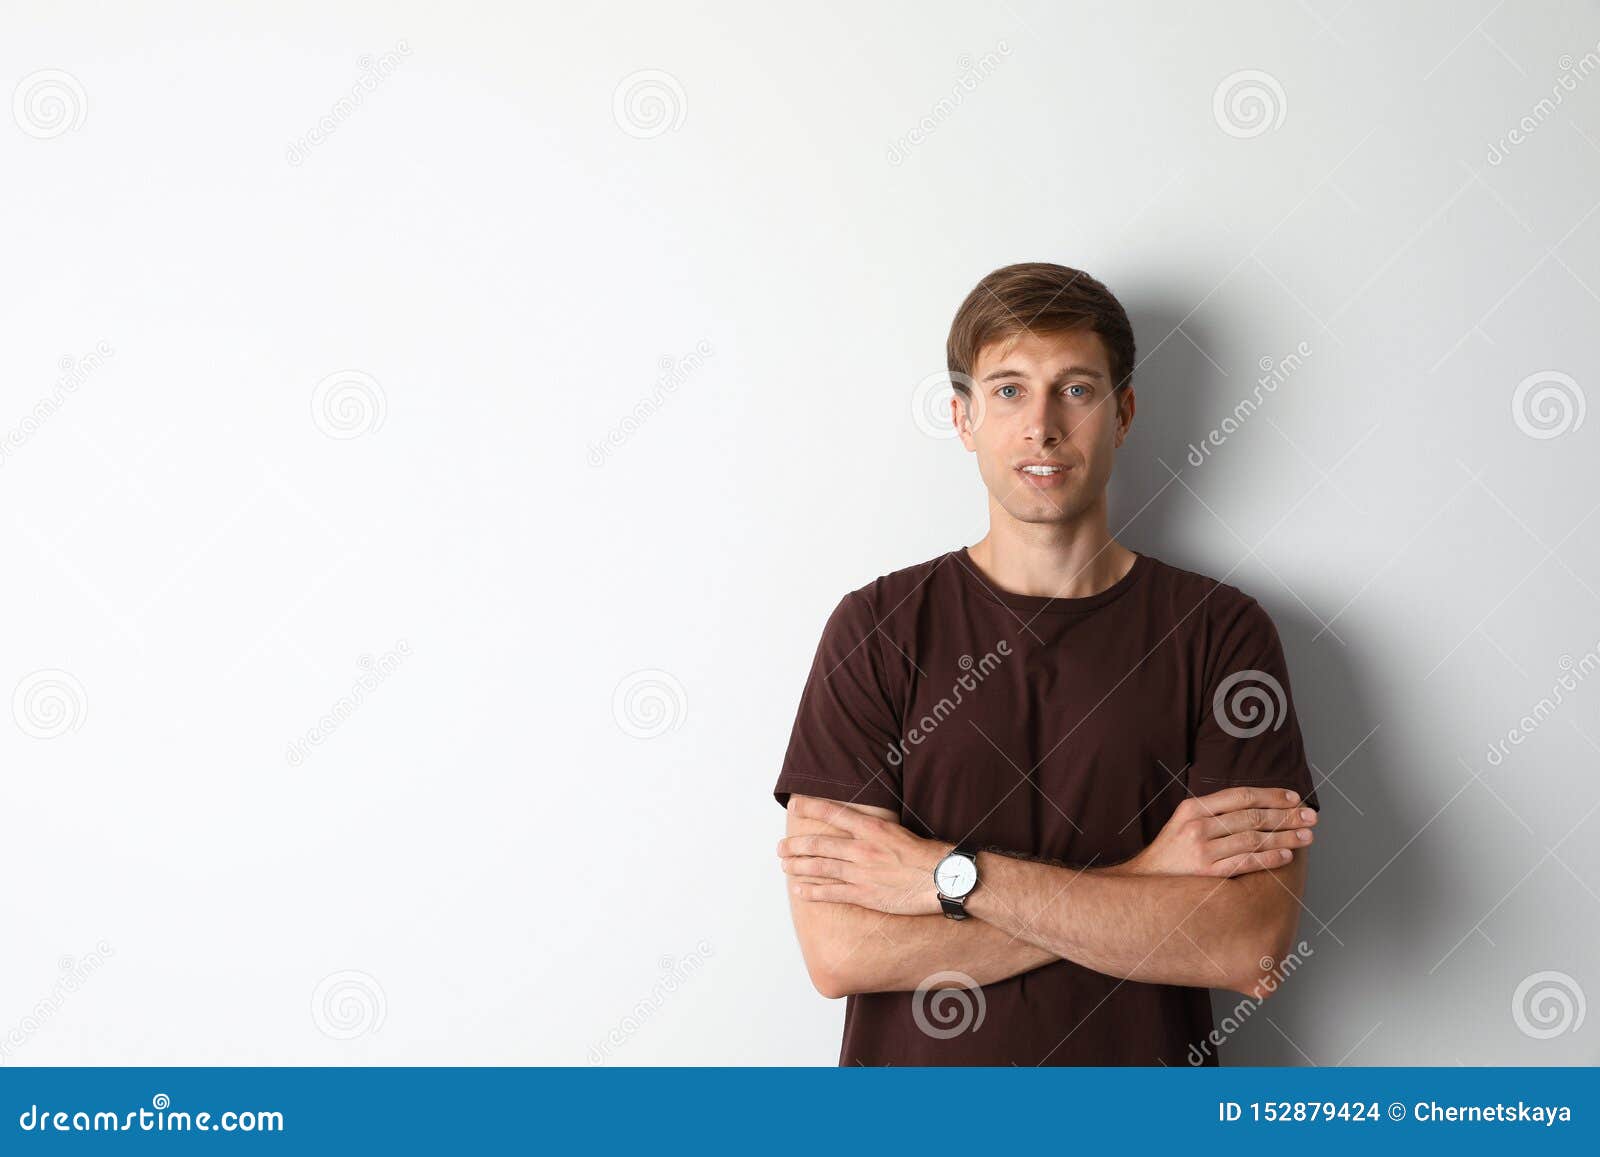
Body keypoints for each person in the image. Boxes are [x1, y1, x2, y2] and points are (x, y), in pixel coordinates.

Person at [772, 262, 1322, 1066]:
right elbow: (840, 952)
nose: (1041, 425)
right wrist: (1144, 882)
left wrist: (946, 878)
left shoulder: (1223, 634)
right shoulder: (876, 629)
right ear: (962, 418)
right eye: (1007, 390)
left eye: (1075, 388)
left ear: (1124, 411)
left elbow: (1247, 946)